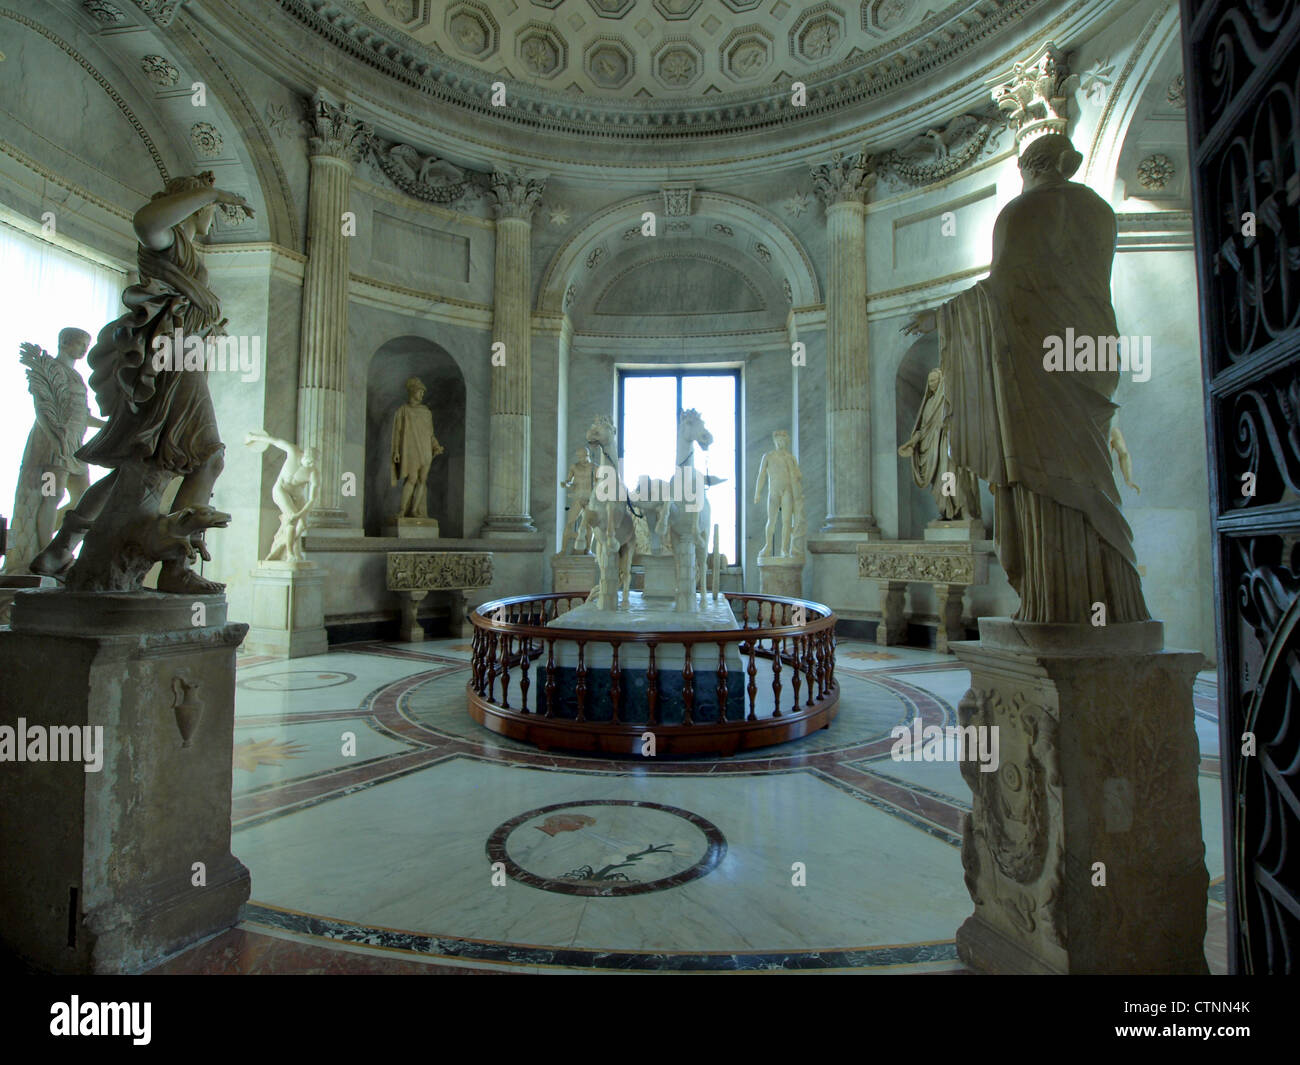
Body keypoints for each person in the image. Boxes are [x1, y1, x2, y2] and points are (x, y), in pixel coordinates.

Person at [902, 132, 1147, 623]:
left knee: (1042, 476)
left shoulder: (1021, 212)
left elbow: (1004, 291)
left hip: (1040, 368)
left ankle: (1056, 604)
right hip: (1090, 354)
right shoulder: (1099, 210)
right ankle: (1112, 604)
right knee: (1090, 472)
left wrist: (942, 317)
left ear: (1032, 169)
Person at [30, 171, 252, 593]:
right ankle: (175, 570)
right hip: (172, 361)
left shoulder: (183, 248)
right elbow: (145, 222)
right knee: (207, 458)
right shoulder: (167, 239)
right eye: (208, 209)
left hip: (181, 356)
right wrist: (214, 191)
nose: (211, 218)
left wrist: (207, 334)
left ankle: (62, 547)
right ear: (193, 203)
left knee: (142, 467)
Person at [3, 328, 105, 574]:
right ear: (64, 342)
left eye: (85, 344)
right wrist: (55, 436)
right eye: (80, 344)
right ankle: (44, 551)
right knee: (53, 494)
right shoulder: (49, 368)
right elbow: (42, 406)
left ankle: (56, 547)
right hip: (53, 443)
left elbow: (82, 415)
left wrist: (109, 425)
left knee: (86, 498)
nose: (83, 349)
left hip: (75, 447)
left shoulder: (76, 377)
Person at [245, 430, 319, 562]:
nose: (311, 464)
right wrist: (254, 437)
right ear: (304, 455)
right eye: (310, 461)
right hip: (281, 491)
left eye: (314, 462)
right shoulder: (293, 451)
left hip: (298, 497)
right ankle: (290, 553)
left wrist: (301, 514)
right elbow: (275, 440)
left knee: (302, 526)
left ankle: (284, 547)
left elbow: (313, 499)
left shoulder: (313, 472)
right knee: (292, 519)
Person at [390, 377, 443, 519]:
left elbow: (430, 434)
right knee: (412, 479)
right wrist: (396, 450)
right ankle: (402, 510)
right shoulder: (403, 410)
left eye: (423, 393)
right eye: (420, 392)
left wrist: (436, 446)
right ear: (412, 391)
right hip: (411, 450)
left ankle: (414, 510)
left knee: (422, 480)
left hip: (426, 450)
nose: (422, 395)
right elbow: (397, 432)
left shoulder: (426, 412)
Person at [754, 430, 803, 558]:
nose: (780, 443)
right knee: (771, 520)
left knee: (786, 521)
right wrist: (757, 492)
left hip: (787, 490)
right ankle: (768, 546)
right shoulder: (768, 456)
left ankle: (784, 549)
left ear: (786, 442)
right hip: (774, 491)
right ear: (774, 442)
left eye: (783, 441)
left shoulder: (790, 457)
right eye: (778, 441)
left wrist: (793, 469)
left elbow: (798, 475)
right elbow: (761, 475)